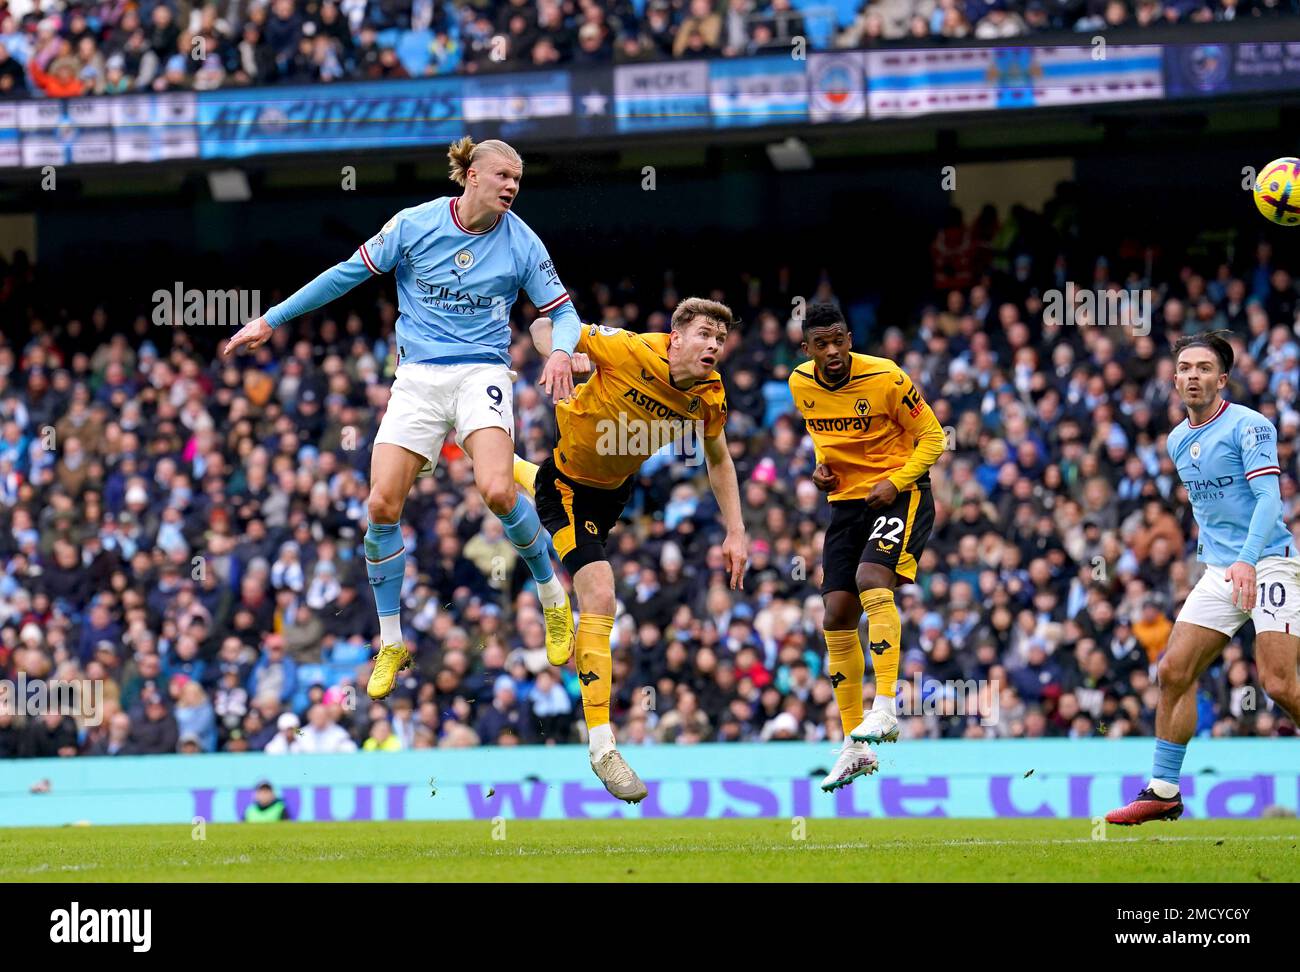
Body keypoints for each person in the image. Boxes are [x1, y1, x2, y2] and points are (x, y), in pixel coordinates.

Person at [223, 136, 583, 700]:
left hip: (480, 373)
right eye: (502, 175)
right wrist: (273, 318)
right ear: (470, 176)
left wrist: (561, 350)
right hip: (416, 380)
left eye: (518, 177)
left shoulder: (522, 242)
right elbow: (346, 274)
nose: (512, 185)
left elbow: (563, 313)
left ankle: (552, 594)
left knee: (494, 487)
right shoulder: (414, 225)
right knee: (380, 505)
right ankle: (391, 639)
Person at [516, 298, 749, 802]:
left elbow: (720, 459)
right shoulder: (624, 348)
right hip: (568, 485)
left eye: (721, 339)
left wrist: (736, 531)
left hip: (614, 492)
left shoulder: (709, 394)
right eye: (705, 333)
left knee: (531, 490)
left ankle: (489, 453)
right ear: (677, 336)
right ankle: (603, 747)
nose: (714, 345)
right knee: (600, 597)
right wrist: (560, 352)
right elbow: (542, 324)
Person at [1107, 332, 1300, 825]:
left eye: (1203, 368)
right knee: (1173, 670)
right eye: (1185, 368)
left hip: (1269, 561)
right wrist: (1211, 557)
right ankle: (1164, 790)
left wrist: (1248, 559)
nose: (1193, 375)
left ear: (1222, 378)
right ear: (1174, 379)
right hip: (1220, 571)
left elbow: (1269, 502)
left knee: (1278, 684)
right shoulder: (1176, 439)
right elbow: (1209, 510)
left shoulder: (1250, 426)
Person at [790, 303, 945, 791]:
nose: (832, 351)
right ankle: (854, 747)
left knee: (871, 579)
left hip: (901, 494)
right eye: (822, 343)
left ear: (850, 338)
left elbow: (934, 438)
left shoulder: (886, 377)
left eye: (839, 339)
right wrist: (821, 468)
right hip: (845, 504)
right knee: (836, 613)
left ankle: (886, 709)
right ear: (806, 349)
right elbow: (825, 438)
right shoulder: (800, 384)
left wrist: (897, 482)